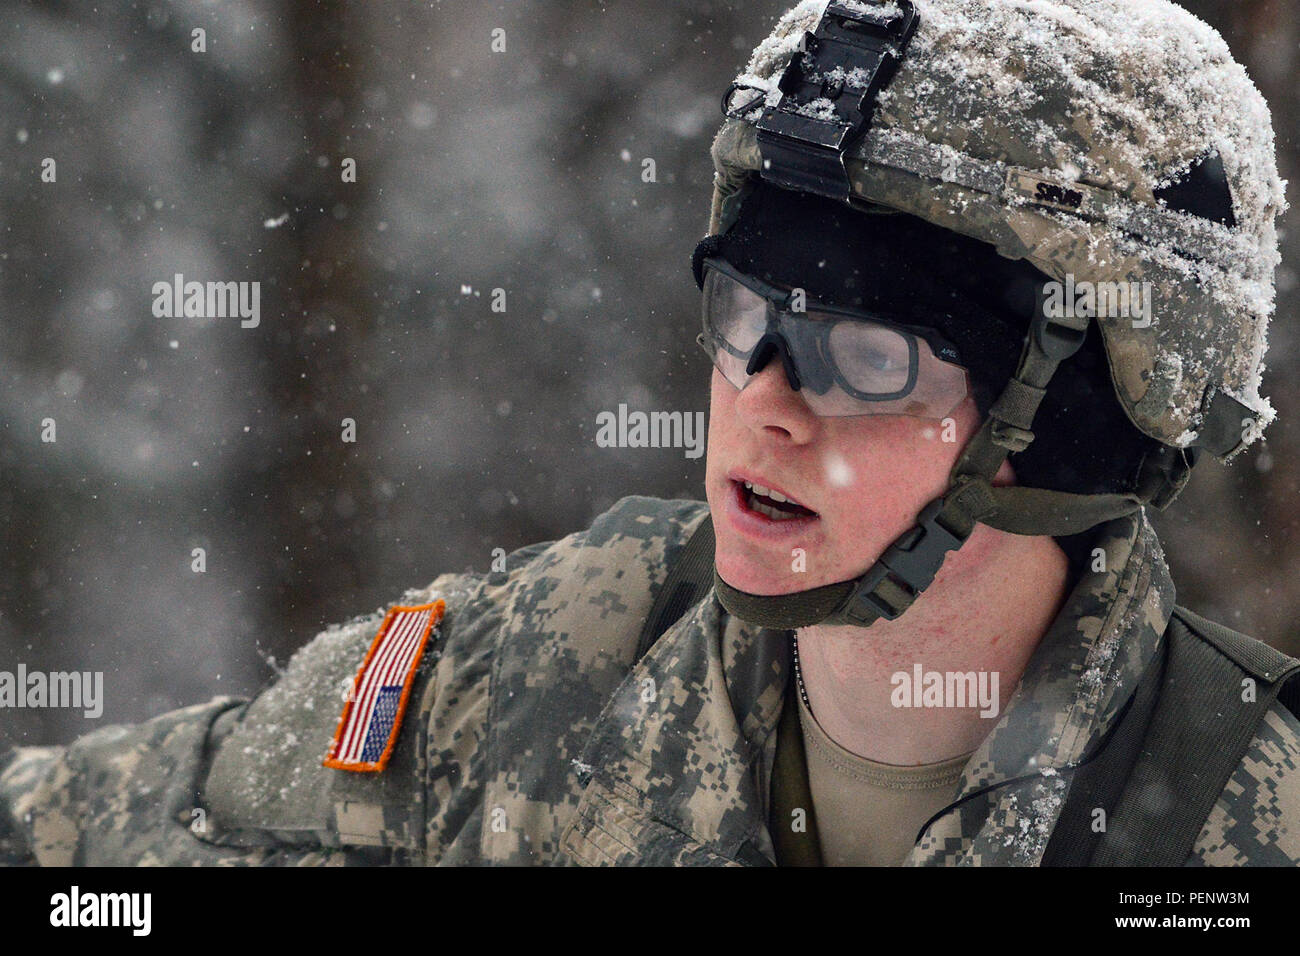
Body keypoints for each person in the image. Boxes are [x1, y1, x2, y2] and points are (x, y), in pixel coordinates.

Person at [3, 0, 1298, 867]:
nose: (762, 403)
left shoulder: (1253, 813)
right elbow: (83, 849)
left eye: (866, 356)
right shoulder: (542, 672)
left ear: (1064, 439)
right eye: (746, 313)